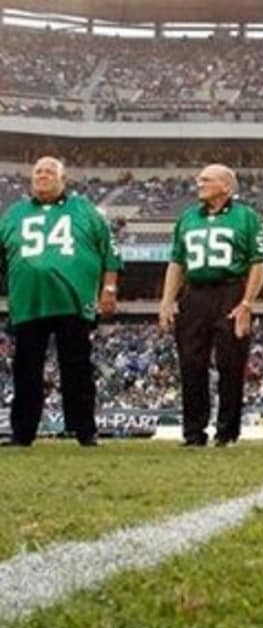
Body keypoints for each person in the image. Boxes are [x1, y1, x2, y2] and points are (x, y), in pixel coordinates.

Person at [0, 156, 122, 447]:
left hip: (73, 301)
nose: (42, 176)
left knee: (77, 367)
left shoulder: (85, 210)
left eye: (49, 172)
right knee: (26, 369)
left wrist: (109, 289)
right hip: (29, 302)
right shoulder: (13, 213)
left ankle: (84, 430)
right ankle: (22, 432)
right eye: (37, 172)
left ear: (62, 179)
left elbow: (110, 251)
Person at [158, 164, 263, 447]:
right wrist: (168, 300)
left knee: (231, 364)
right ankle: (194, 432)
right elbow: (177, 262)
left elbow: (258, 263)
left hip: (230, 291)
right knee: (191, 364)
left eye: (207, 179)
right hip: (195, 294)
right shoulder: (187, 217)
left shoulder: (246, 216)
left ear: (226, 186)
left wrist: (247, 303)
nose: (199, 182)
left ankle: (227, 432)